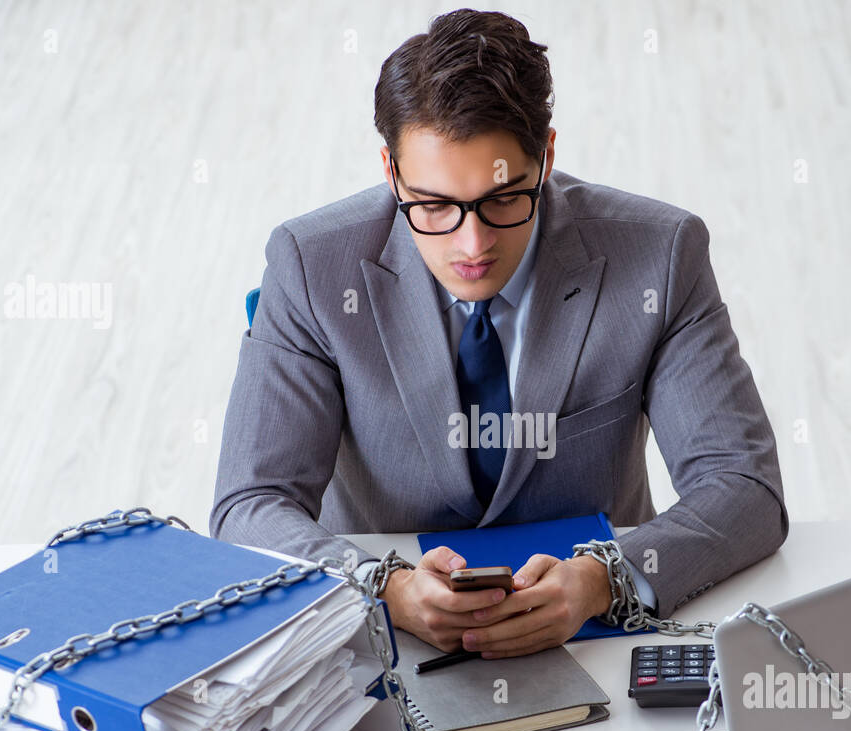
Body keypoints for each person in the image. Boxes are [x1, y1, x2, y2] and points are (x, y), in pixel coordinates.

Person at [211, 9, 787, 659]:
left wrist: (606, 578)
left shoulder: (661, 252)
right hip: (383, 640)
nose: (472, 245)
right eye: (433, 206)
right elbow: (250, 505)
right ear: (391, 172)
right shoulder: (310, 265)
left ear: (545, 157)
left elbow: (744, 487)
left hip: (598, 637)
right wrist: (385, 588)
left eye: (502, 198)